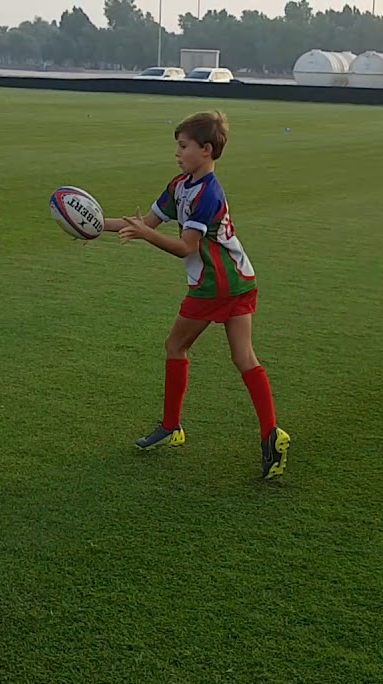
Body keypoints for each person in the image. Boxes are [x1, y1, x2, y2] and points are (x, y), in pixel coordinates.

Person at [108, 110, 291, 480]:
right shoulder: (180, 185)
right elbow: (144, 223)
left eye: (183, 146)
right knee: (244, 357)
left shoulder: (209, 193)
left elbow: (185, 248)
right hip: (240, 279)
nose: (177, 153)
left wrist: (145, 236)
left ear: (206, 150)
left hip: (214, 285)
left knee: (176, 345)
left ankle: (172, 426)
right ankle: (273, 435)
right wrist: (94, 226)